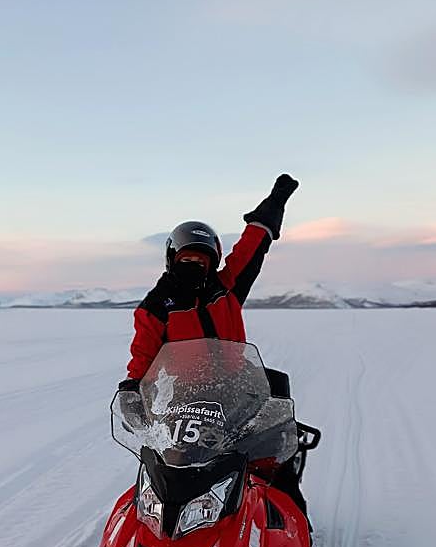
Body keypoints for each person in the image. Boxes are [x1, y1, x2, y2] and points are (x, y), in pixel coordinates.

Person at [120, 174, 310, 517]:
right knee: (176, 467)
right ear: (172, 259)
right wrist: (133, 388)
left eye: (201, 262)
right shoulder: (156, 305)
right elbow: (143, 354)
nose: (194, 267)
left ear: (212, 262)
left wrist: (273, 205)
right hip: (186, 396)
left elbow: (252, 247)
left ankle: (292, 515)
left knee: (270, 455)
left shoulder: (227, 287)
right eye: (187, 261)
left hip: (240, 386)